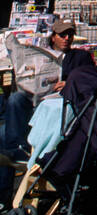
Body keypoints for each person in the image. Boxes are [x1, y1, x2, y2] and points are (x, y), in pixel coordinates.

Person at [0, 19, 89, 165]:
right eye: (62, 35)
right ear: (53, 36)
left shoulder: (80, 57)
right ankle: (16, 151)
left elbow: (90, 80)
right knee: (15, 99)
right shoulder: (41, 53)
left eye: (70, 35)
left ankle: (19, 157)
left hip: (55, 109)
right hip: (32, 102)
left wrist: (69, 84)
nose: (67, 39)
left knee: (3, 135)